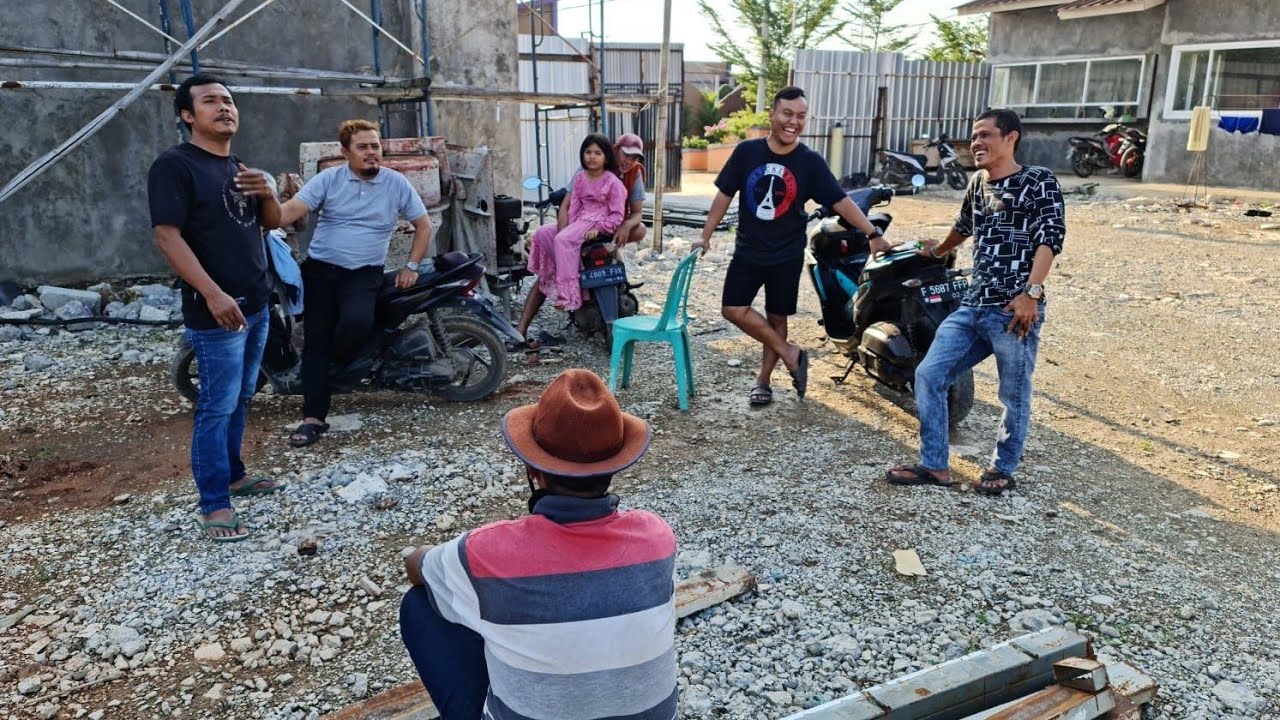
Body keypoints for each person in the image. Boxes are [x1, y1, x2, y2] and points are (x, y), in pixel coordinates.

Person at [399, 369, 677, 720]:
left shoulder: (487, 549)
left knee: (421, 603)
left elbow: (415, 567)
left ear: (533, 472)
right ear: (614, 467)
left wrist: (423, 553)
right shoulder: (657, 535)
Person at [886, 109, 1066, 496]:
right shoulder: (978, 183)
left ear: (1011, 138)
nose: (976, 143)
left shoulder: (1038, 181)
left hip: (1013, 309)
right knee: (929, 375)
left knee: (1013, 393)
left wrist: (1031, 292)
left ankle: (1002, 467)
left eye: (985, 135)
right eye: (973, 136)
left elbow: (1050, 238)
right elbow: (964, 226)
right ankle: (935, 466)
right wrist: (938, 250)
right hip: (973, 305)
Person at [148, 74, 286, 542]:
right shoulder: (176, 166)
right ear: (188, 115)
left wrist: (269, 191)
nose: (224, 107)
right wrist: (212, 293)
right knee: (216, 406)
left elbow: (271, 223)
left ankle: (234, 475)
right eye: (210, 101)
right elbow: (167, 236)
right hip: (218, 312)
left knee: (243, 398)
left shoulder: (238, 167)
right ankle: (213, 504)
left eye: (228, 101)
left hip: (256, 305)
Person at [693, 86, 891, 406]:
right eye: (787, 114)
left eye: (801, 116)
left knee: (777, 316)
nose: (793, 122)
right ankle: (790, 353)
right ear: (772, 114)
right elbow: (724, 195)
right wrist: (706, 234)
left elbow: (839, 200)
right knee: (733, 308)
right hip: (748, 248)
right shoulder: (747, 152)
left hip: (786, 253)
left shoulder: (809, 162)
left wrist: (872, 232)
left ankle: (763, 381)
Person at [273, 119, 432, 448]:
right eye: (363, 147)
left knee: (358, 323)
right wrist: (261, 213)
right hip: (320, 272)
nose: (372, 153)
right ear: (346, 152)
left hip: (364, 274)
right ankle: (313, 418)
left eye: (376, 146)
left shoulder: (396, 184)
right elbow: (289, 211)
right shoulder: (329, 180)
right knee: (316, 342)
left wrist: (411, 265)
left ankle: (334, 369)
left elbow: (423, 225)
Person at [514, 134, 627, 343]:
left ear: (606, 157)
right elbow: (573, 205)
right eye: (588, 152)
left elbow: (617, 215)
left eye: (597, 153)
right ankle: (551, 273)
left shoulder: (613, 182)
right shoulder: (580, 178)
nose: (592, 157)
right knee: (543, 233)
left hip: (598, 223)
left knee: (563, 240)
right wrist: (565, 228)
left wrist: (598, 227)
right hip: (580, 221)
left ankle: (569, 294)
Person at [614, 132, 648, 247]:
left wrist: (626, 225)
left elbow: (637, 212)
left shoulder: (634, 172)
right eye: (626, 155)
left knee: (641, 230)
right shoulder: (599, 162)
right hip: (590, 222)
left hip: (614, 224)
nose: (629, 161)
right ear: (615, 150)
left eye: (634, 158)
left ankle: (609, 247)